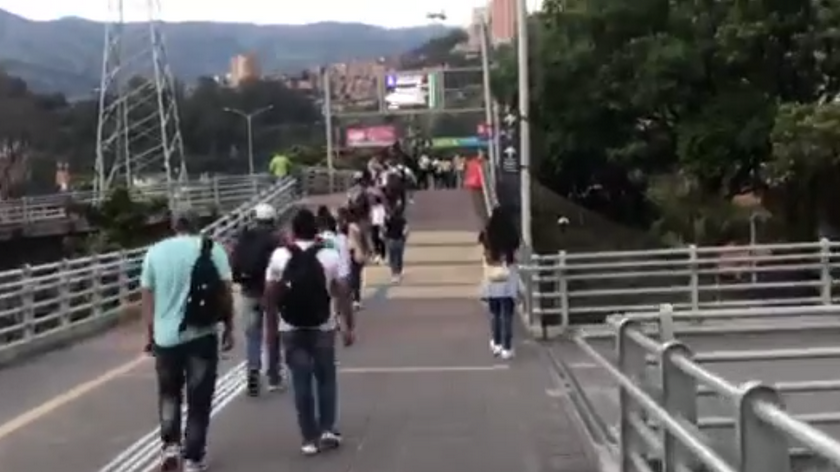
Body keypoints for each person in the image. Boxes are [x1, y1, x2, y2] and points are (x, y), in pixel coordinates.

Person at [140, 210, 234, 472]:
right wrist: (229, 326)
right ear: (198, 226)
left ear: (173, 226)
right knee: (199, 397)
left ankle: (171, 446)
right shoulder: (211, 249)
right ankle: (193, 457)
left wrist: (149, 334)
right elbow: (225, 292)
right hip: (202, 334)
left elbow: (147, 296)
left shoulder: (155, 252)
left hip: (166, 338)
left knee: (169, 394)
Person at [263, 209, 354, 456]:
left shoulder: (280, 256)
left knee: (301, 381)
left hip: (290, 327)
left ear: (293, 230)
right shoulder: (330, 254)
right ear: (316, 230)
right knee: (326, 377)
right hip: (322, 325)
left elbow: (270, 294)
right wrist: (348, 325)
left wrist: (271, 330)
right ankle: (327, 429)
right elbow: (343, 289)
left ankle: (308, 437)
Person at [231, 203, 284, 396]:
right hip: (270, 292)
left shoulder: (244, 237)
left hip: (248, 292)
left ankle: (253, 368)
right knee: (273, 334)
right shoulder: (277, 240)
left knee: (253, 334)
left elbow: (234, 264)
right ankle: (273, 376)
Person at [478, 206, 520, 360]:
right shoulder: (510, 234)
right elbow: (516, 246)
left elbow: (481, 242)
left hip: (492, 278)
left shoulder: (488, 233)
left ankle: (496, 343)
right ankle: (507, 348)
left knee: (495, 313)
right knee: (507, 314)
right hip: (507, 277)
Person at [383, 206, 409, 282]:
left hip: (391, 240)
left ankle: (394, 273)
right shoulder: (402, 220)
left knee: (392, 257)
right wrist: (404, 237)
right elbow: (406, 229)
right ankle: (399, 272)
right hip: (400, 240)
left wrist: (385, 237)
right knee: (399, 257)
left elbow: (385, 229)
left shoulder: (389, 219)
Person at [369, 196, 387, 263]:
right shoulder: (373, 208)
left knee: (381, 241)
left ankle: (382, 256)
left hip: (380, 225)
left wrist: (382, 227)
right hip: (374, 225)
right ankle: (377, 255)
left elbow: (383, 217)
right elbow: (371, 216)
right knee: (374, 240)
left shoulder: (381, 208)